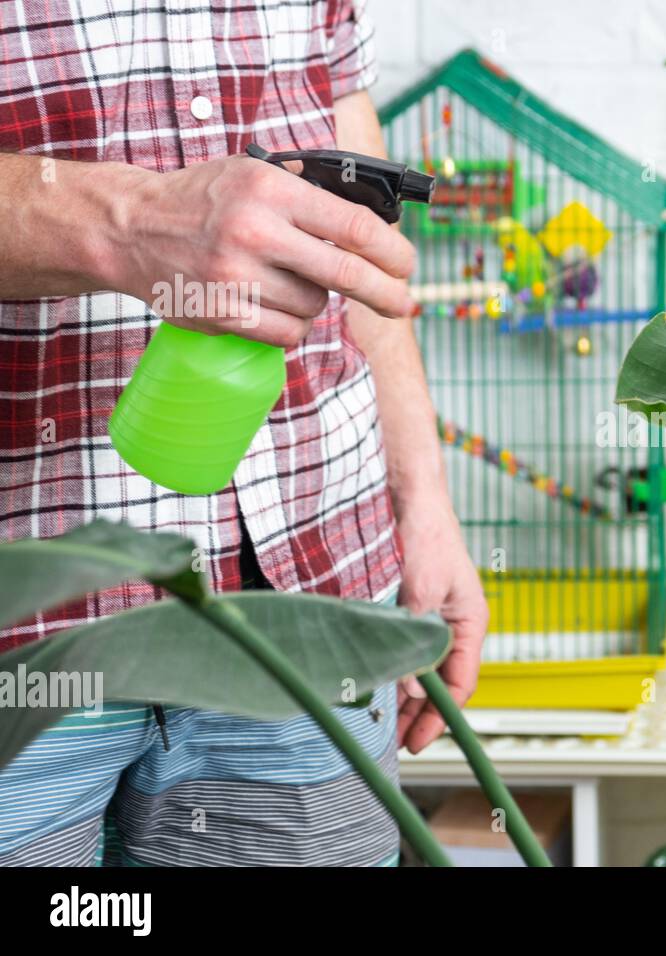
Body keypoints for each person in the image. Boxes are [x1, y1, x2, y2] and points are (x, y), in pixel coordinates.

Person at [0, 0, 487, 865]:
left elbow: (354, 232)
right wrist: (130, 220)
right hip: (26, 615)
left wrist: (424, 503)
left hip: (310, 589)